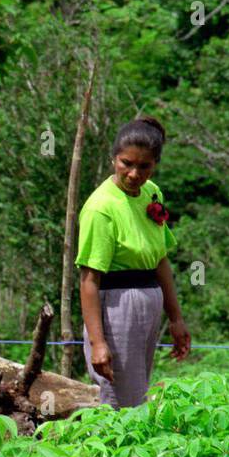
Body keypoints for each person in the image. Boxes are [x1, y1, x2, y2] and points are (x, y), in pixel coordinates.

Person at [75, 115, 190, 408]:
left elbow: (160, 259)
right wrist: (98, 343)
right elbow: (89, 281)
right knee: (118, 398)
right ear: (114, 158)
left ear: (154, 165)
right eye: (126, 163)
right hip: (116, 306)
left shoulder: (152, 193)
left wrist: (175, 318)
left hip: (148, 301)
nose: (134, 173)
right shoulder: (101, 207)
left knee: (138, 390)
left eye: (144, 166)